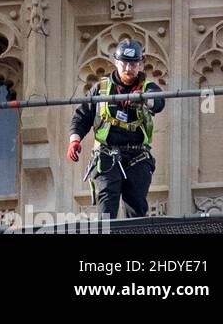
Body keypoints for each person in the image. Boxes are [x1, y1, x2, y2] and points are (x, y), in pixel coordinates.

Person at [66, 38, 165, 218]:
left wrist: (143, 98)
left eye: (133, 64)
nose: (128, 69)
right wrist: (74, 140)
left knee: (136, 206)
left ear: (141, 64)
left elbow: (158, 102)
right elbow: (81, 116)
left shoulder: (148, 88)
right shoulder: (101, 90)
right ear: (116, 62)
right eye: (125, 63)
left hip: (138, 156)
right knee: (107, 201)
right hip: (107, 155)